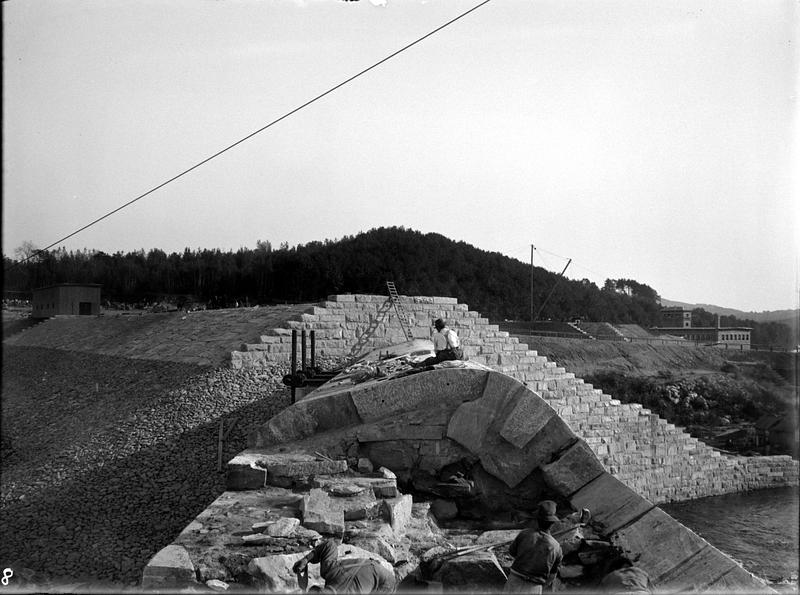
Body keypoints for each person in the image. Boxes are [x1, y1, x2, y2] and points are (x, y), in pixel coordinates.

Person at [292, 539, 396, 593]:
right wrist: (306, 559)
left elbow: (330, 545)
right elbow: (330, 545)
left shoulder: (330, 571)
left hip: (386, 581)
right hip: (371, 568)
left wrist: (306, 559)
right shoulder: (329, 570)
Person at [504, 501, 563, 593]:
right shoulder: (556, 547)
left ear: (537, 520)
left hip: (514, 580)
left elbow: (512, 552)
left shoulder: (525, 534)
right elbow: (552, 576)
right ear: (552, 523)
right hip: (534, 586)